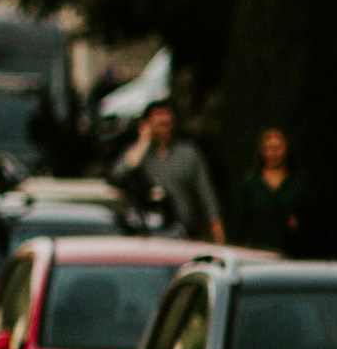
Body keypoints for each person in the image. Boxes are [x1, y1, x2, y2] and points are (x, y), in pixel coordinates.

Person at [117, 100, 228, 244]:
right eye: (159, 124)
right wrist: (143, 141)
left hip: (183, 232)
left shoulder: (188, 153)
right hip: (146, 235)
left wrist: (219, 237)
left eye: (168, 124)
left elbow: (208, 198)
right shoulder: (136, 153)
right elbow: (120, 175)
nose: (164, 129)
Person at [236, 126, 308, 256]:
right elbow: (242, 221)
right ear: (262, 151)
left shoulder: (299, 184)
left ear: (286, 149)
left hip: (293, 252)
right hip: (259, 252)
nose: (274, 153)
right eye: (269, 148)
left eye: (278, 148)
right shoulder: (251, 184)